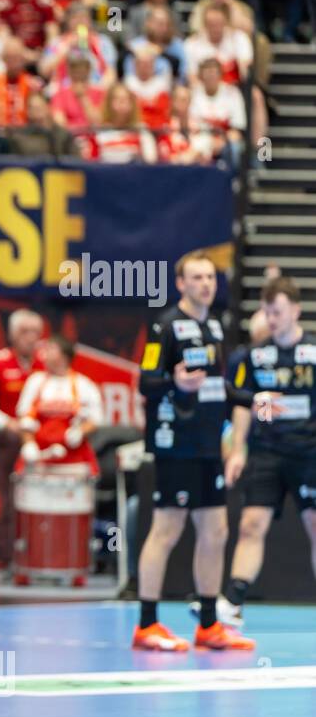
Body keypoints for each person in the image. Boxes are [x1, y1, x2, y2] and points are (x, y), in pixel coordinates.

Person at [135, 250, 253, 651]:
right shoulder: (164, 326)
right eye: (197, 277)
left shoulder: (216, 329)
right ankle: (147, 624)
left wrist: (258, 398)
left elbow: (222, 387)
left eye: (210, 277)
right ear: (180, 284)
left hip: (207, 445)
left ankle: (208, 625)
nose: (206, 284)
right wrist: (174, 382)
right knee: (167, 529)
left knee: (216, 531)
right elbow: (145, 381)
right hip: (175, 444)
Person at [221, 278, 316, 627]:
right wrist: (236, 451)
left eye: (277, 311)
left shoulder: (313, 353)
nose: (271, 318)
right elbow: (244, 405)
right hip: (266, 452)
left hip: (309, 453)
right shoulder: (255, 357)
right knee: (251, 524)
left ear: (296, 311)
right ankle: (232, 603)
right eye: (267, 312)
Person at [0, 309, 45, 565]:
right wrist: (7, 424)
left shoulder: (47, 360)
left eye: (35, 333)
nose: (30, 338)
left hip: (41, 440)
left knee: (40, 494)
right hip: (8, 438)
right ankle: (6, 555)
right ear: (12, 335)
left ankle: (38, 552)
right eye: (24, 332)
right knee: (8, 496)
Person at [16, 334, 103, 475]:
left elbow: (96, 419)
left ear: (64, 356)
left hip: (74, 462)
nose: (44, 353)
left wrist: (80, 431)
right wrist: (28, 443)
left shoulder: (84, 385)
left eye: (50, 349)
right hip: (40, 460)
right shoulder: (35, 382)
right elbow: (25, 418)